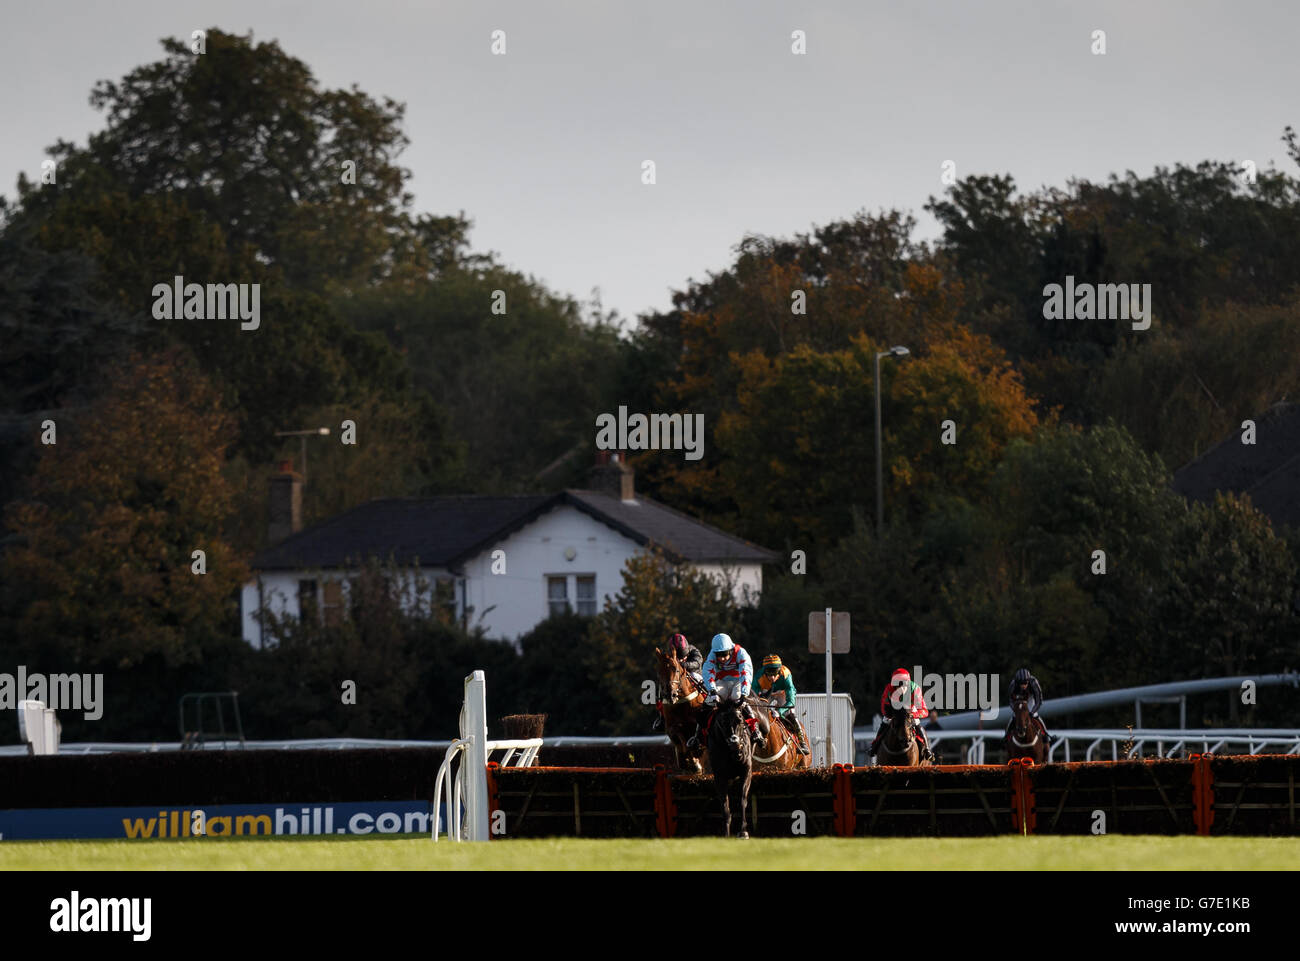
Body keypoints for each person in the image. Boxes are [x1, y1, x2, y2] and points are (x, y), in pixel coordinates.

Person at [689, 633, 765, 748]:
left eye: (725, 654)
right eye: (719, 655)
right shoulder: (712, 656)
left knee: (736, 697)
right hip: (722, 682)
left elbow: (746, 673)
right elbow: (708, 672)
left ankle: (755, 731)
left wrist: (744, 693)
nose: (722, 658)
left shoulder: (741, 653)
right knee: (709, 701)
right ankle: (697, 736)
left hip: (738, 682)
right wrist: (712, 690)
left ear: (731, 650)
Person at [869, 667, 935, 763]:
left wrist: (913, 714)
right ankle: (874, 746)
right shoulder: (889, 689)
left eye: (902, 684)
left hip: (910, 711)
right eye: (897, 685)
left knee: (917, 723)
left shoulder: (915, 689)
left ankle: (927, 749)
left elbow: (924, 711)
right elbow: (884, 706)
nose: (899, 688)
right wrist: (890, 715)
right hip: (894, 711)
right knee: (885, 722)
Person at [754, 654, 809, 755]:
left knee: (790, 713)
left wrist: (780, 711)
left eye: (775, 673)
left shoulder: (786, 674)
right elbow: (755, 698)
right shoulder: (758, 677)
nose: (772, 677)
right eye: (769, 673)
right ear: (764, 671)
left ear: (779, 670)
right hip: (766, 693)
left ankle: (802, 743)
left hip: (782, 693)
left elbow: (791, 702)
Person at [652, 633, 704, 732]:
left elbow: (697, 663)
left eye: (683, 656)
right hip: (677, 677)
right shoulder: (669, 654)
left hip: (694, 674)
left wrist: (680, 664)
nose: (680, 658)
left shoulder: (694, 650)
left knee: (699, 679)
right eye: (678, 657)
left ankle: (709, 705)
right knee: (662, 685)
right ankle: (662, 716)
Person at [1005, 667, 1048, 742]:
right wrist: (1016, 711)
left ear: (1028, 681)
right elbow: (1010, 701)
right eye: (1021, 683)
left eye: (1025, 683)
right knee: (1013, 718)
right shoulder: (1013, 685)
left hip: (1030, 699)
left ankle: (1046, 735)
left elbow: (1039, 700)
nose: (1023, 685)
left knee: (1036, 716)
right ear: (1018, 682)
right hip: (1017, 700)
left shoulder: (1034, 682)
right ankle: (1006, 737)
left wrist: (1032, 712)